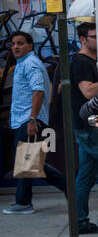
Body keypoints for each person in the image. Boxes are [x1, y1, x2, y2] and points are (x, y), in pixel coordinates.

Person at [4, 30, 67, 214]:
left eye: (20, 43)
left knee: (28, 162)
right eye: (14, 43)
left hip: (30, 120)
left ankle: (24, 203)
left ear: (30, 46)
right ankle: (69, 189)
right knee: (29, 162)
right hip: (24, 119)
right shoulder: (22, 64)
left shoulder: (30, 64)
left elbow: (38, 91)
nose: (16, 46)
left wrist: (32, 119)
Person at [70, 22, 98, 234]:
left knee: (85, 177)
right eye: (94, 36)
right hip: (90, 126)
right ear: (83, 39)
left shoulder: (92, 60)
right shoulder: (81, 62)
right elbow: (89, 92)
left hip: (88, 126)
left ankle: (80, 221)